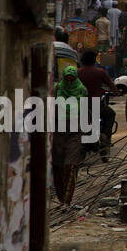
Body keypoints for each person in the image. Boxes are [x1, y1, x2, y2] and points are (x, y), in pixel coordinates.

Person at [51, 66, 89, 206]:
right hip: (58, 132)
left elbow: (85, 111)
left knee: (70, 165)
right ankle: (61, 198)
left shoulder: (82, 90)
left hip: (75, 132)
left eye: (71, 80)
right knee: (57, 166)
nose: (68, 82)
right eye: (66, 79)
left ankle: (67, 200)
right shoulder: (57, 90)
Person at [75, 49, 116, 156]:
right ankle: (105, 136)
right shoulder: (100, 72)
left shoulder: (76, 72)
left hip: (80, 105)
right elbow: (112, 87)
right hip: (96, 104)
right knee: (111, 114)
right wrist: (117, 92)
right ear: (94, 60)